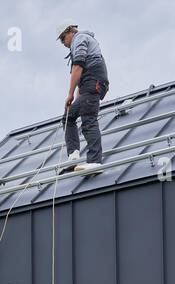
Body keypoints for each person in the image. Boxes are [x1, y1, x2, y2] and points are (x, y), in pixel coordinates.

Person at [57, 23, 109, 174]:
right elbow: (81, 75)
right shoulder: (81, 41)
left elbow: (78, 67)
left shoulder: (79, 39)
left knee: (88, 120)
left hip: (93, 82)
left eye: (62, 39)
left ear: (70, 32)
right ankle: (73, 155)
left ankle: (95, 161)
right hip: (89, 83)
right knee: (69, 116)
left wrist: (70, 94)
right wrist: (77, 97)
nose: (63, 43)